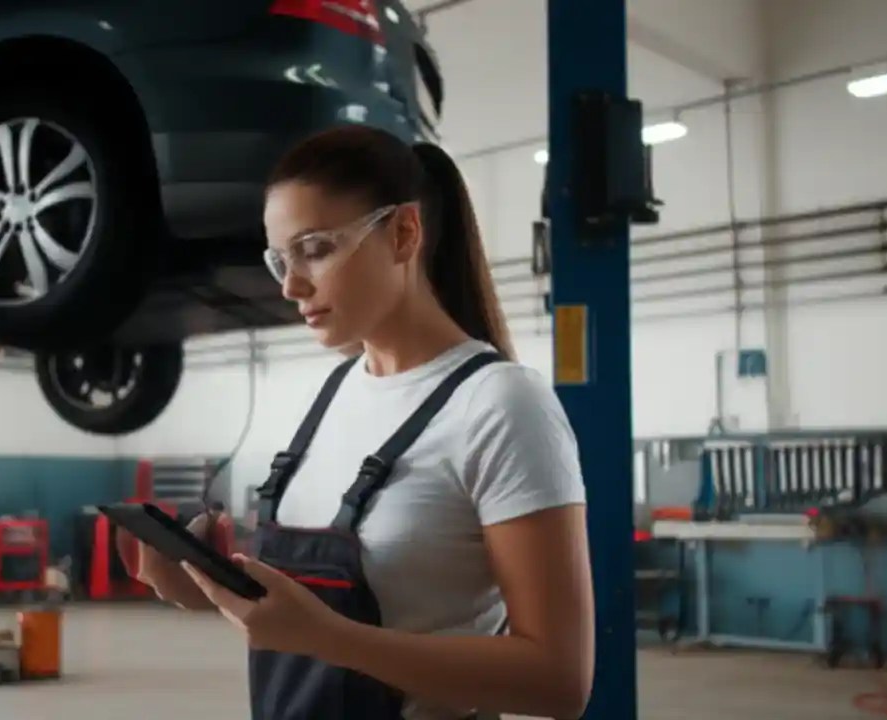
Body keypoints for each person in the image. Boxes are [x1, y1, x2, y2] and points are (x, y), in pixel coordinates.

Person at [121, 125, 594, 720]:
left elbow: (558, 680)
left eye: (315, 249)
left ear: (403, 233)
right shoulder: (333, 393)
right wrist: (209, 586)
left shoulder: (500, 405)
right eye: (279, 260)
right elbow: (306, 621)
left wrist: (329, 638)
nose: (292, 286)